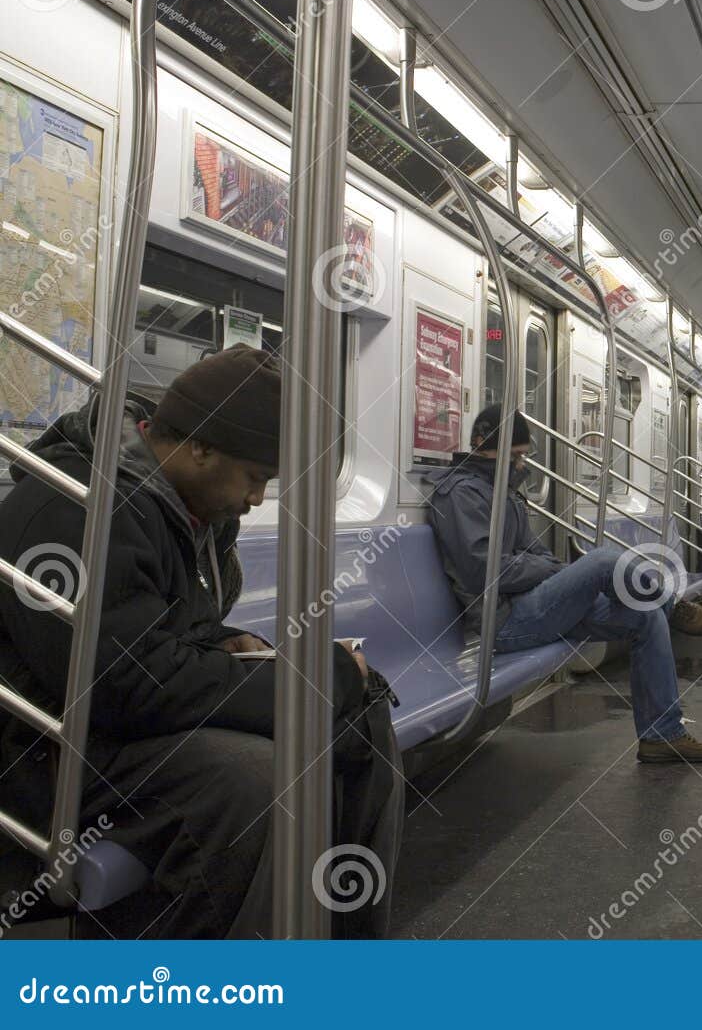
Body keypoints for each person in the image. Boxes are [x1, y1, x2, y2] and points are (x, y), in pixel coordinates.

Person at [0, 346, 401, 938]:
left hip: (118, 731)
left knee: (358, 717)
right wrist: (307, 681)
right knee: (256, 780)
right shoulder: (73, 508)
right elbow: (125, 684)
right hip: (49, 747)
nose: (258, 499)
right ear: (200, 447)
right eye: (255, 477)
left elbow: (167, 630)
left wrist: (229, 641)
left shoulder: (181, 509)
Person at [427, 405, 702, 764]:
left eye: (523, 455)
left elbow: (534, 553)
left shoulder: (505, 492)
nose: (521, 464)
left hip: (531, 604)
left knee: (645, 615)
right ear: (482, 445)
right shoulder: (459, 495)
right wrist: (551, 572)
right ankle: (672, 605)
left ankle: (663, 735)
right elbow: (487, 573)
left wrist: (547, 570)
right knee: (600, 561)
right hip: (502, 621)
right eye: (515, 455)